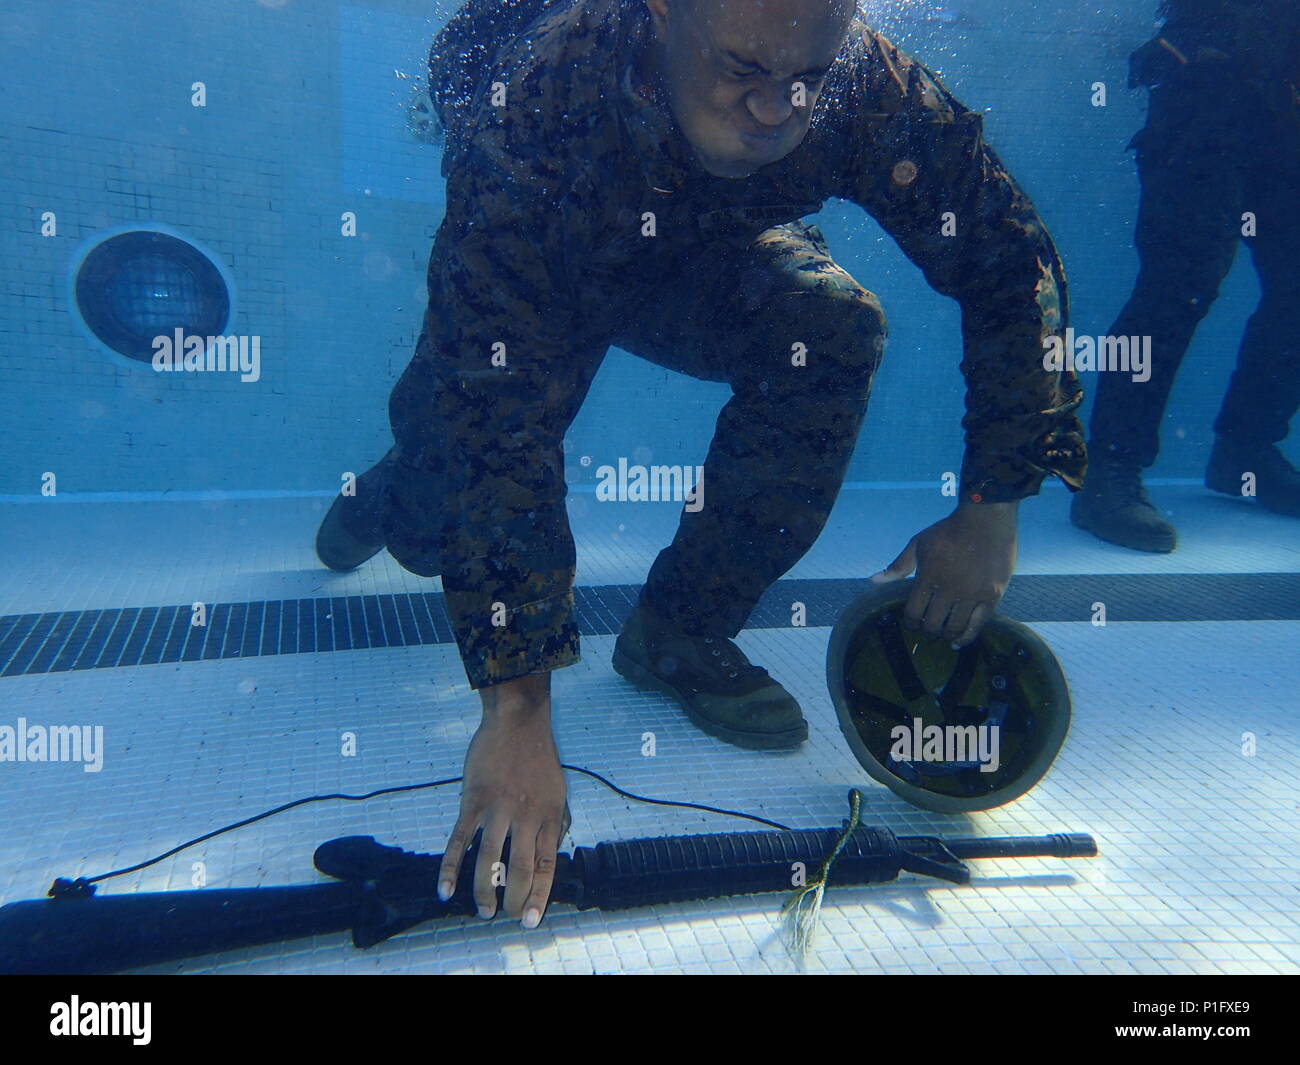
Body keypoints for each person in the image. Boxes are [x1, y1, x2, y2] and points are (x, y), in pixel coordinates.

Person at [316, 0, 1085, 928]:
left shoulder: (866, 88)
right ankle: (396, 489)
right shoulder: (533, 108)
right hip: (555, 250)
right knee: (442, 495)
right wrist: (517, 707)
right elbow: (499, 415)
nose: (776, 112)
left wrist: (992, 501)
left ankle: (680, 627)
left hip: (709, 246)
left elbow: (1008, 256)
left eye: (807, 78)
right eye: (740, 70)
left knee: (830, 326)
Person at [1071, 0, 1300, 552]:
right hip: (1204, 81)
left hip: (1282, 99)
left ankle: (1244, 450)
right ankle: (1108, 471)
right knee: (1179, 282)